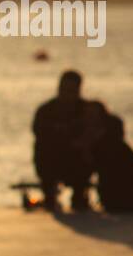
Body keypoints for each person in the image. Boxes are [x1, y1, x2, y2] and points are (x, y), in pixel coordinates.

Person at [31, 71, 105, 212]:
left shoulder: (87, 110)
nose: (66, 94)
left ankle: (79, 195)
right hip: (52, 161)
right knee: (42, 149)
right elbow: (38, 132)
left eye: (71, 90)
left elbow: (110, 126)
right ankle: (50, 195)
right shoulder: (46, 111)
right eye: (63, 89)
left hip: (78, 162)